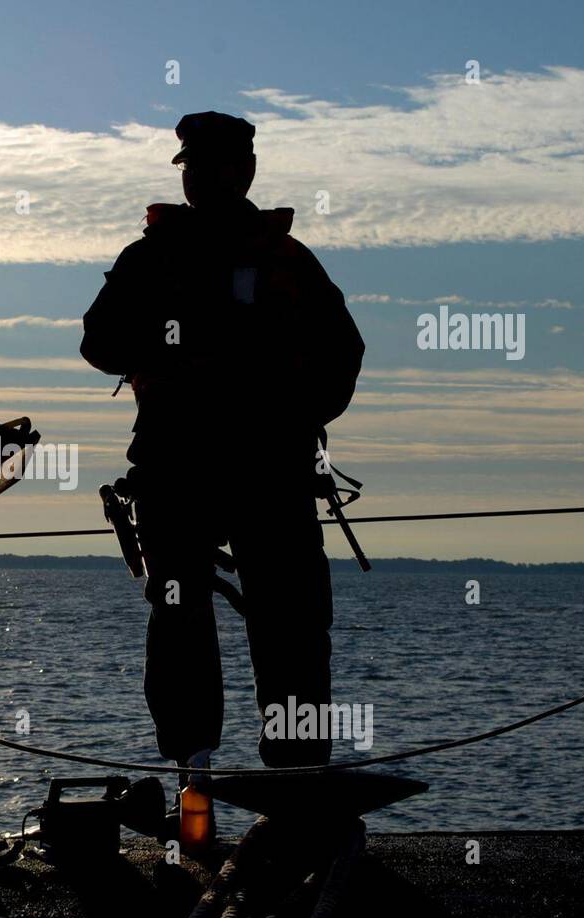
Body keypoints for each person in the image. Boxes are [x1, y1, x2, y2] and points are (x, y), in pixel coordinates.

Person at [80, 111, 365, 782]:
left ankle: (291, 778)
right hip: (189, 469)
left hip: (260, 470)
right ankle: (201, 771)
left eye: (216, 166)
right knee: (194, 618)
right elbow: (100, 342)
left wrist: (293, 412)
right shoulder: (155, 257)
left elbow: (343, 352)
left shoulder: (281, 260)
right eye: (197, 167)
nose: (205, 178)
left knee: (287, 625)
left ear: (245, 171)